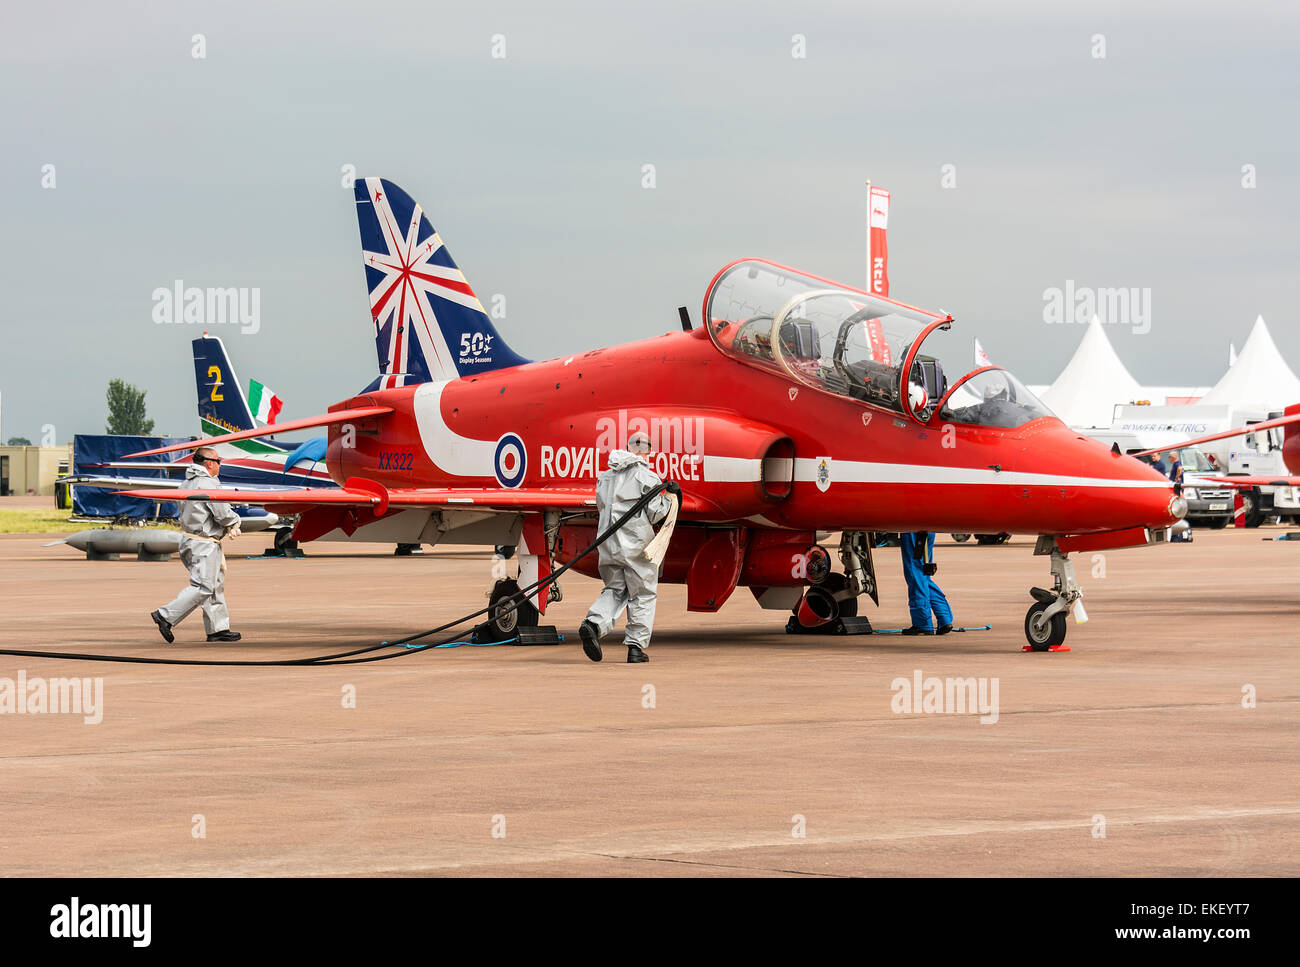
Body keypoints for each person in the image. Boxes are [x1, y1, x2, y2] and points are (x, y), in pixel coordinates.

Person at [579, 432, 677, 663]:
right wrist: (670, 496)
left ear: (626, 448)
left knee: (614, 588)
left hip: (607, 541)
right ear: (648, 451)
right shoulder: (647, 476)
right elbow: (656, 514)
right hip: (635, 544)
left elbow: (602, 506)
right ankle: (636, 647)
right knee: (642, 594)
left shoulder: (605, 477)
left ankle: (593, 625)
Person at [150, 447, 243, 643]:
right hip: (204, 543)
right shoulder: (208, 484)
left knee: (214, 585)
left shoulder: (186, 483)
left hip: (192, 540)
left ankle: (217, 629)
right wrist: (234, 521)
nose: (220, 465)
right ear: (209, 463)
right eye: (218, 461)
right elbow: (221, 511)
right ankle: (165, 615)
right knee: (203, 586)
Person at [900, 531, 953, 636]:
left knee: (915, 573)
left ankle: (922, 623)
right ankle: (944, 618)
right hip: (928, 527)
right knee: (922, 575)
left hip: (913, 528)